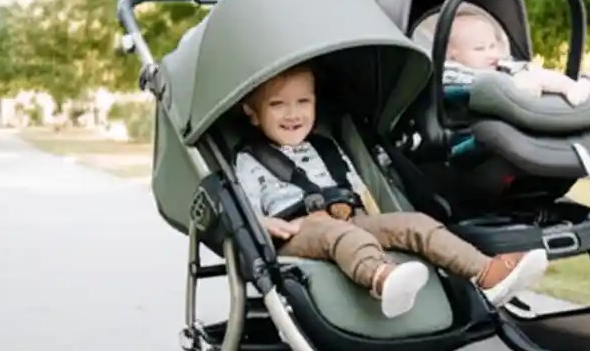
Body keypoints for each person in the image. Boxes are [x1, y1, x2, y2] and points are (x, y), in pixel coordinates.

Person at [234, 63, 549, 318]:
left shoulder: (327, 147)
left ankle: (486, 273)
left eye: (303, 102)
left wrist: (382, 224)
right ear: (252, 112)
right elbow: (242, 205)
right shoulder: (250, 158)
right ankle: (382, 278)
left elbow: (357, 188)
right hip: (297, 232)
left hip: (349, 216)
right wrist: (262, 224)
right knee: (343, 236)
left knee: (414, 223)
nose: (293, 114)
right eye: (278, 105)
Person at [422, 2, 590, 106]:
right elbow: (473, 82)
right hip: (487, 101)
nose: (490, 53)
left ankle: (572, 87)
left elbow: (520, 68)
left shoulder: (499, 64)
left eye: (492, 46)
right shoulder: (449, 71)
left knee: (535, 75)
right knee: (522, 81)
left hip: (514, 92)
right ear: (453, 54)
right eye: (479, 49)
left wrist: (525, 73)